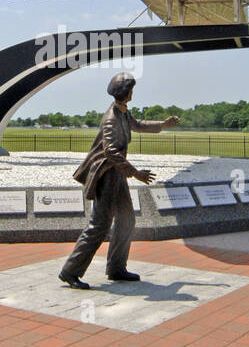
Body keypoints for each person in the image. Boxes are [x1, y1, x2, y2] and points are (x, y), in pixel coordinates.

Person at [58, 72, 180, 289]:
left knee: (126, 220)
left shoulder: (123, 113)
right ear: (124, 92)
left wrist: (163, 124)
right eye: (131, 89)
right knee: (99, 225)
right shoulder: (111, 119)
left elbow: (138, 124)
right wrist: (136, 173)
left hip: (118, 173)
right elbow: (111, 152)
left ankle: (116, 268)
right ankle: (70, 271)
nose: (133, 92)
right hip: (107, 175)